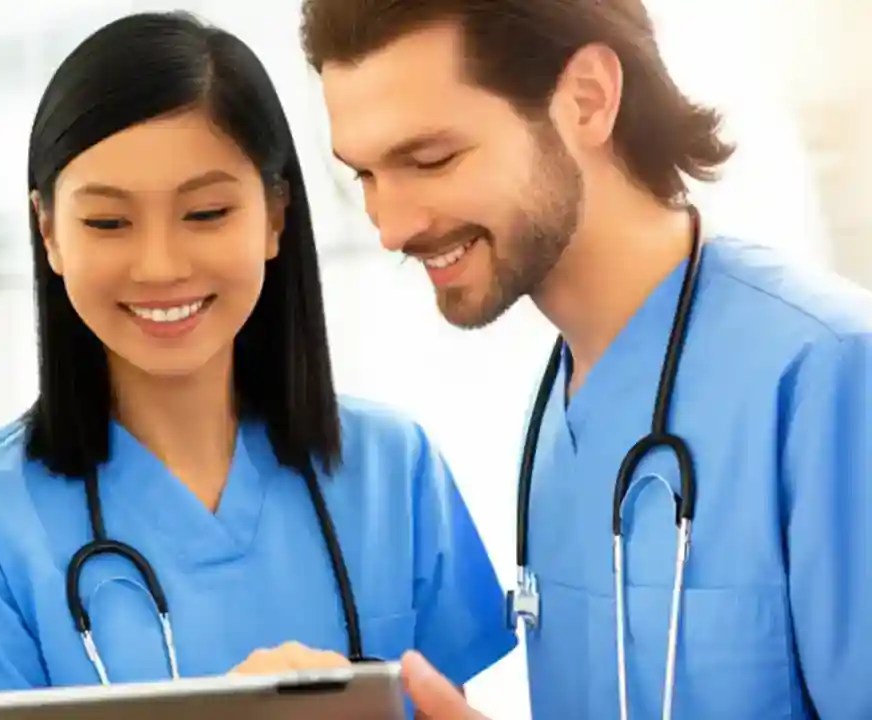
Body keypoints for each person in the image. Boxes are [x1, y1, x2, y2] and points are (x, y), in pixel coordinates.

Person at [0, 11, 515, 718]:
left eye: (207, 212)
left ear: (276, 215)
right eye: (107, 223)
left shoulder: (394, 476)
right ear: (49, 233)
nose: (161, 266)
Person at [300, 0, 872, 717]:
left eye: (429, 159)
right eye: (366, 176)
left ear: (588, 100)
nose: (392, 227)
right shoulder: (562, 414)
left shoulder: (832, 373)